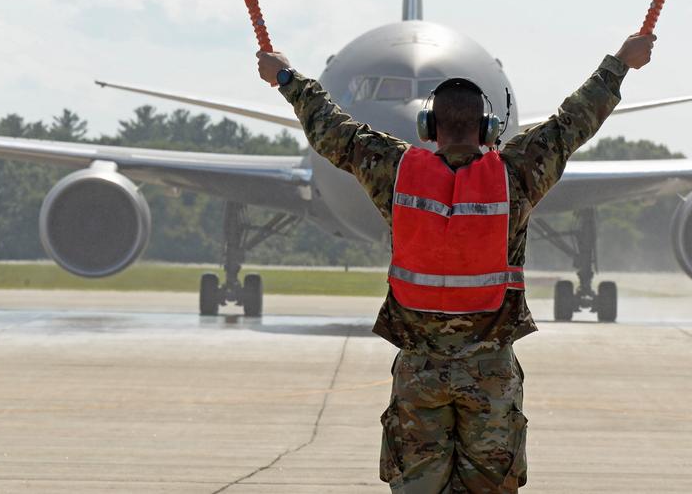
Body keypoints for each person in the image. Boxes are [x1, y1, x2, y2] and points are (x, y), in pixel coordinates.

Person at [256, 31, 656, 493]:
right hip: (489, 374)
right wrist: (621, 63)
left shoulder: (397, 171)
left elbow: (332, 130)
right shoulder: (516, 176)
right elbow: (572, 124)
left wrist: (285, 77)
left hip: (420, 372)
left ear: (428, 127)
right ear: (488, 128)